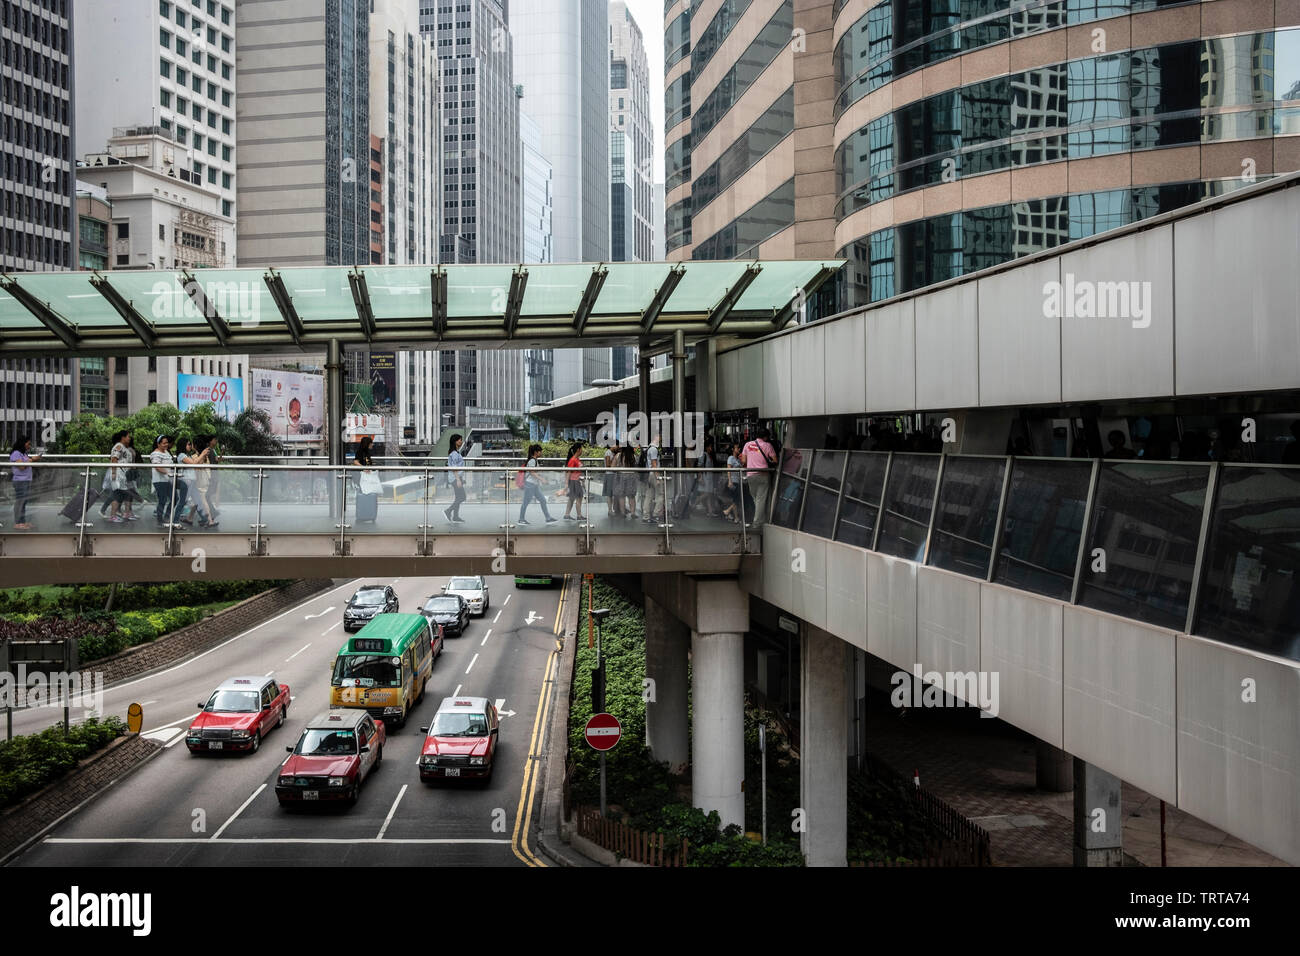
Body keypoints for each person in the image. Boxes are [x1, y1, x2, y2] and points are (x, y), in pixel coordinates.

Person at [741, 428, 778, 527]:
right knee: (760, 500)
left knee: (756, 498)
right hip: (763, 475)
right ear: (766, 437)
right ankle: (757, 523)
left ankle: (761, 520)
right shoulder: (768, 445)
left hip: (750, 475)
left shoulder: (747, 444)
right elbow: (775, 460)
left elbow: (743, 461)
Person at [179, 435, 218, 528]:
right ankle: (190, 518)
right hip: (205, 478)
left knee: (202, 498)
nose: (190, 445)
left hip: (199, 479)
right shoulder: (205, 455)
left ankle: (210, 521)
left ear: (195, 445)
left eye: (191, 443)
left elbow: (196, 467)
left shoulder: (196, 456)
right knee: (196, 499)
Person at [149, 434, 186, 525]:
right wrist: (167, 472)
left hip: (168, 480)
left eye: (167, 443)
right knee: (163, 499)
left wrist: (173, 472)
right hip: (159, 481)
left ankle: (166, 516)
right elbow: (157, 466)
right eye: (164, 443)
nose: (166, 444)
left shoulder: (166, 452)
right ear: (158, 444)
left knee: (175, 498)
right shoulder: (155, 453)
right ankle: (160, 519)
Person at [517, 443, 556, 525]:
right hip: (530, 485)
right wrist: (541, 479)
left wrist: (541, 478)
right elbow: (532, 472)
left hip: (534, 485)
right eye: (540, 452)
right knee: (526, 502)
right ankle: (521, 519)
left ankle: (548, 518)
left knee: (542, 500)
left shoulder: (534, 460)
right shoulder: (532, 460)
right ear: (535, 452)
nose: (541, 453)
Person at [9, 434, 40, 529]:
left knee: (24, 501)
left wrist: (31, 459)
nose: (29, 446)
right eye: (28, 444)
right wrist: (32, 460)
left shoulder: (23, 453)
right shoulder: (16, 453)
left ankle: (22, 522)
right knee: (20, 501)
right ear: (23, 443)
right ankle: (17, 523)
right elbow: (21, 466)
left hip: (26, 480)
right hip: (20, 481)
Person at [443, 433, 468, 522]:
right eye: (460, 440)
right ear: (455, 442)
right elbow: (454, 468)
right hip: (455, 478)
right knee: (462, 497)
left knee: (458, 497)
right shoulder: (454, 454)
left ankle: (455, 516)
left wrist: (460, 478)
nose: (461, 441)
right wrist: (458, 480)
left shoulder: (455, 452)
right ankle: (448, 511)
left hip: (456, 477)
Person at [563, 441, 585, 521]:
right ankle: (579, 516)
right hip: (574, 481)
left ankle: (567, 514)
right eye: (581, 449)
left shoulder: (577, 459)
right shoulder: (573, 460)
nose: (582, 451)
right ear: (578, 449)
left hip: (576, 481)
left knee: (572, 498)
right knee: (579, 498)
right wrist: (566, 484)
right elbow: (569, 472)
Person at [722, 441, 744, 523]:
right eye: (737, 448)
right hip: (733, 481)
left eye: (739, 448)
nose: (739, 449)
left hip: (737, 481)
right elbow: (729, 470)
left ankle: (736, 518)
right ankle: (727, 511)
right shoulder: (731, 458)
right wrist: (730, 481)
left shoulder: (737, 459)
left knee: (735, 500)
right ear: (732, 449)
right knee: (737, 499)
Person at [603, 441, 619, 516]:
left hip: (614, 474)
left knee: (614, 493)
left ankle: (614, 508)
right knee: (609, 493)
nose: (618, 448)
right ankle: (610, 510)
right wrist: (615, 458)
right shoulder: (608, 452)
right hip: (609, 474)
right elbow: (608, 465)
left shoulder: (612, 453)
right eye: (617, 446)